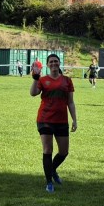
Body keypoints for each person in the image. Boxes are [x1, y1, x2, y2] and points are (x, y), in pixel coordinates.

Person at [30, 53, 77, 193]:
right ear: (48, 64)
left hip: (61, 120)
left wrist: (74, 119)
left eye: (56, 61)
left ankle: (52, 170)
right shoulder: (43, 80)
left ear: (59, 63)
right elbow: (33, 93)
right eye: (51, 62)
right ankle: (49, 182)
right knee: (47, 150)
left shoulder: (67, 81)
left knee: (64, 152)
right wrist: (35, 78)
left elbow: (70, 102)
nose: (54, 64)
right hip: (45, 119)